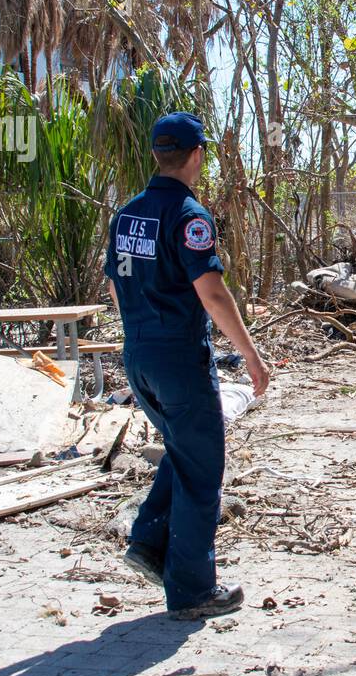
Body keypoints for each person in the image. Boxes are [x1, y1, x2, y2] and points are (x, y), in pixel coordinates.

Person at [103, 112, 269, 620]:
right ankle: (193, 591)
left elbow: (114, 284)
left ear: (157, 153)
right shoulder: (189, 216)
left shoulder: (127, 214)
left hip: (138, 354)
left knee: (185, 450)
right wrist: (251, 355)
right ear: (196, 155)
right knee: (203, 469)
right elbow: (213, 293)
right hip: (178, 358)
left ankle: (149, 541)